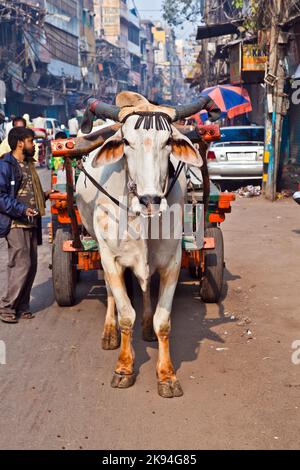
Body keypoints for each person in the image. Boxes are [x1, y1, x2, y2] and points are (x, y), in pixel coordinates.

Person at [0, 127, 51, 323]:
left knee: (31, 266)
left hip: (30, 222)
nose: (34, 145)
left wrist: (44, 196)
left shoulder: (28, 164)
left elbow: (29, 193)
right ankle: (7, 307)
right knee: (21, 264)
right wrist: (21, 210)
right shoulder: (6, 165)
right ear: (20, 143)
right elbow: (2, 196)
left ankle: (22, 306)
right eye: (31, 141)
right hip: (15, 223)